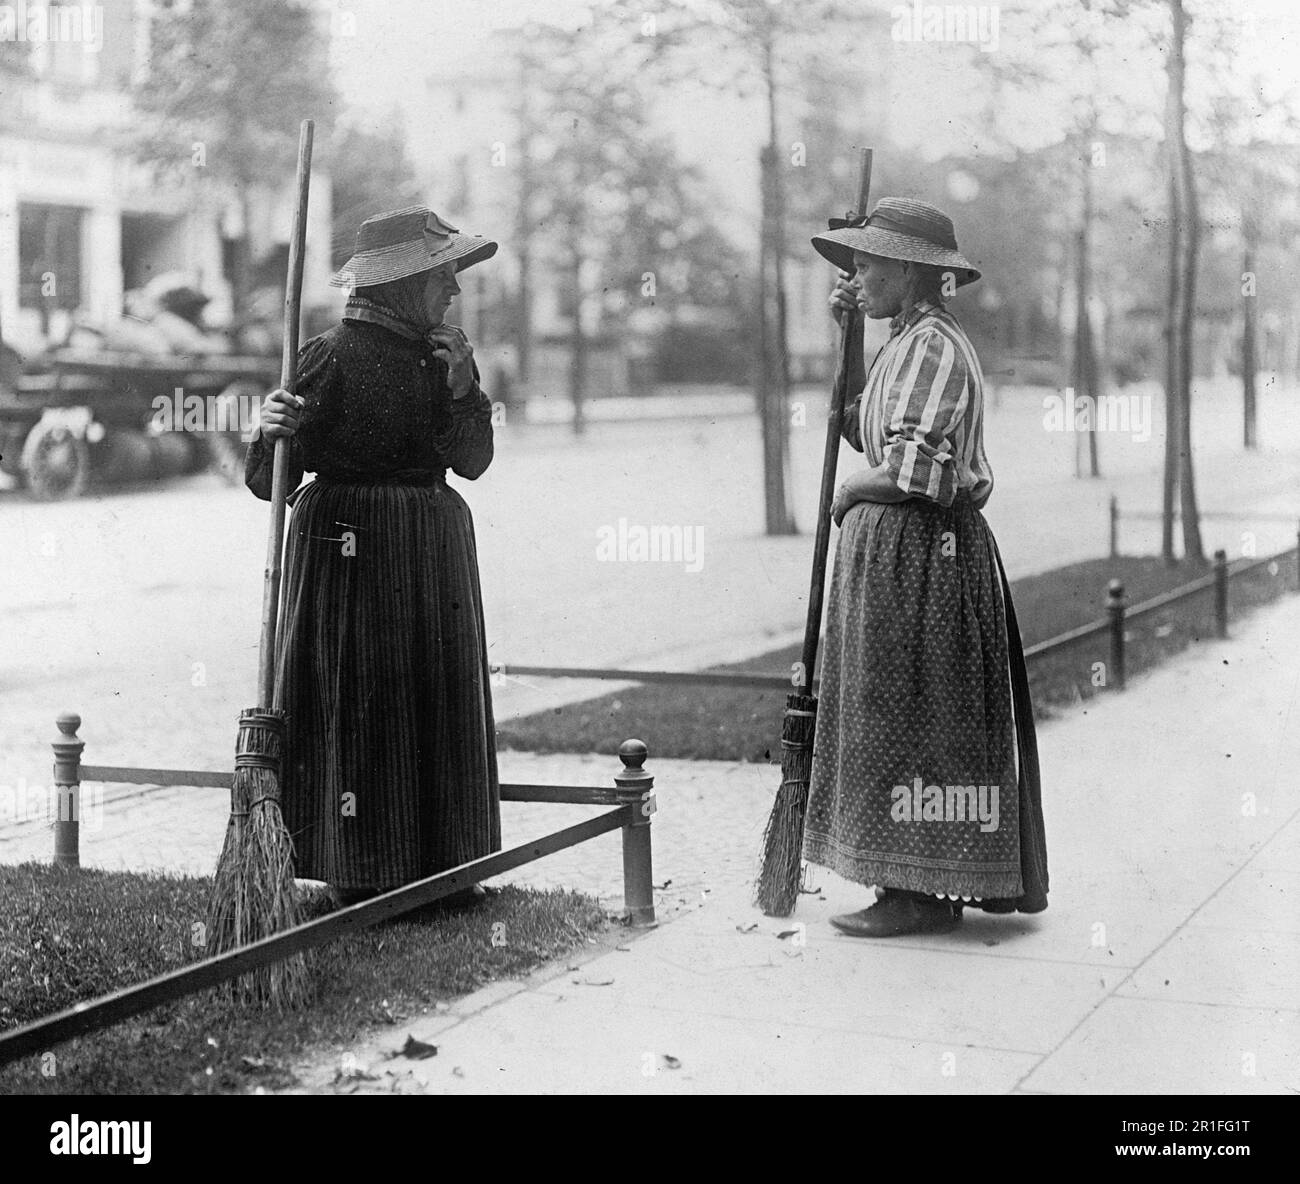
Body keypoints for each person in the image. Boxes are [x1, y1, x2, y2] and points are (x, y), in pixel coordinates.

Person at [801, 196, 1048, 937]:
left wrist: (850, 494)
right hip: (897, 557)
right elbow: (856, 425)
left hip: (924, 560)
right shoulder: (901, 344)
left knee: (915, 713)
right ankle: (903, 881)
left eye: (867, 263)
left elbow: (917, 468)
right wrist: (846, 336)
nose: (857, 275)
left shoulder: (934, 345)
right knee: (893, 712)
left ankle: (921, 890)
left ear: (911, 270)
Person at [247, 206, 501, 907]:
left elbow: (473, 462)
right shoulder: (329, 355)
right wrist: (271, 434)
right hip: (350, 553)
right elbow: (267, 482)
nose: (453, 288)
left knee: (431, 696)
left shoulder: (443, 358)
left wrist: (465, 392)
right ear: (403, 282)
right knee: (361, 698)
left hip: (430, 550)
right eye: (443, 274)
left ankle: (441, 864)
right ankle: (360, 870)